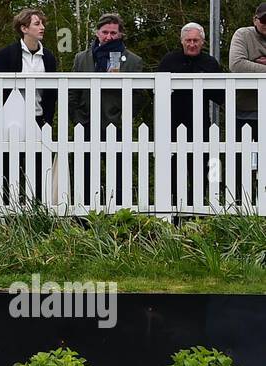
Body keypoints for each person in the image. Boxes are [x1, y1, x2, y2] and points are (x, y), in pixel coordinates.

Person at [68, 14, 146, 208]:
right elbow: (72, 93)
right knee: (85, 174)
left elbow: (140, 95)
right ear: (97, 32)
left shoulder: (133, 61)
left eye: (113, 32)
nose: (108, 37)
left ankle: (119, 214)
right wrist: (78, 119)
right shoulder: (82, 58)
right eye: (105, 32)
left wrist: (123, 117)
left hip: (117, 126)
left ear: (120, 34)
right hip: (86, 124)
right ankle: (84, 215)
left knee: (118, 174)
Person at [0, 9, 60, 207]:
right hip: (12, 121)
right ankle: (7, 210)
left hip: (39, 119)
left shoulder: (48, 57)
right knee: (9, 168)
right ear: (24, 28)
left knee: (39, 168)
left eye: (42, 24)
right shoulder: (6, 55)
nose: (42, 28)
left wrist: (47, 119)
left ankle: (37, 210)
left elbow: (51, 94)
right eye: (37, 24)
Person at [158, 22, 224, 215]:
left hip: (201, 126)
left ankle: (199, 213)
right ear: (182, 41)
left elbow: (220, 96)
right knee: (173, 174)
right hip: (172, 126)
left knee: (202, 174)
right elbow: (157, 93)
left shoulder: (209, 63)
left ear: (202, 42)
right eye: (188, 40)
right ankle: (175, 213)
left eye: (196, 40)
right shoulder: (169, 61)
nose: (192, 44)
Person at [229, 3, 266, 205]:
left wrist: (256, 65)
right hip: (245, 113)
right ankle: (240, 207)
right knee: (241, 165)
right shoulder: (243, 35)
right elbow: (237, 65)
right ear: (255, 20)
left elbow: (246, 64)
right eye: (263, 20)